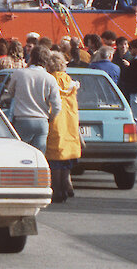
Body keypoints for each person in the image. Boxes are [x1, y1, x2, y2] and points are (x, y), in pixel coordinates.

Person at [1, 46, 61, 153]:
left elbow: (9, 93)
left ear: (31, 57)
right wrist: (50, 118)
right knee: (39, 155)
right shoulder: (50, 79)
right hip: (41, 121)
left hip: (22, 119)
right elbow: (57, 106)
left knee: (20, 153)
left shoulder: (19, 74)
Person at [44, 51, 81, 202]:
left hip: (55, 121)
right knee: (65, 159)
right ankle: (65, 188)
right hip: (69, 122)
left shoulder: (50, 80)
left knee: (54, 159)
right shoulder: (69, 81)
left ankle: (57, 190)